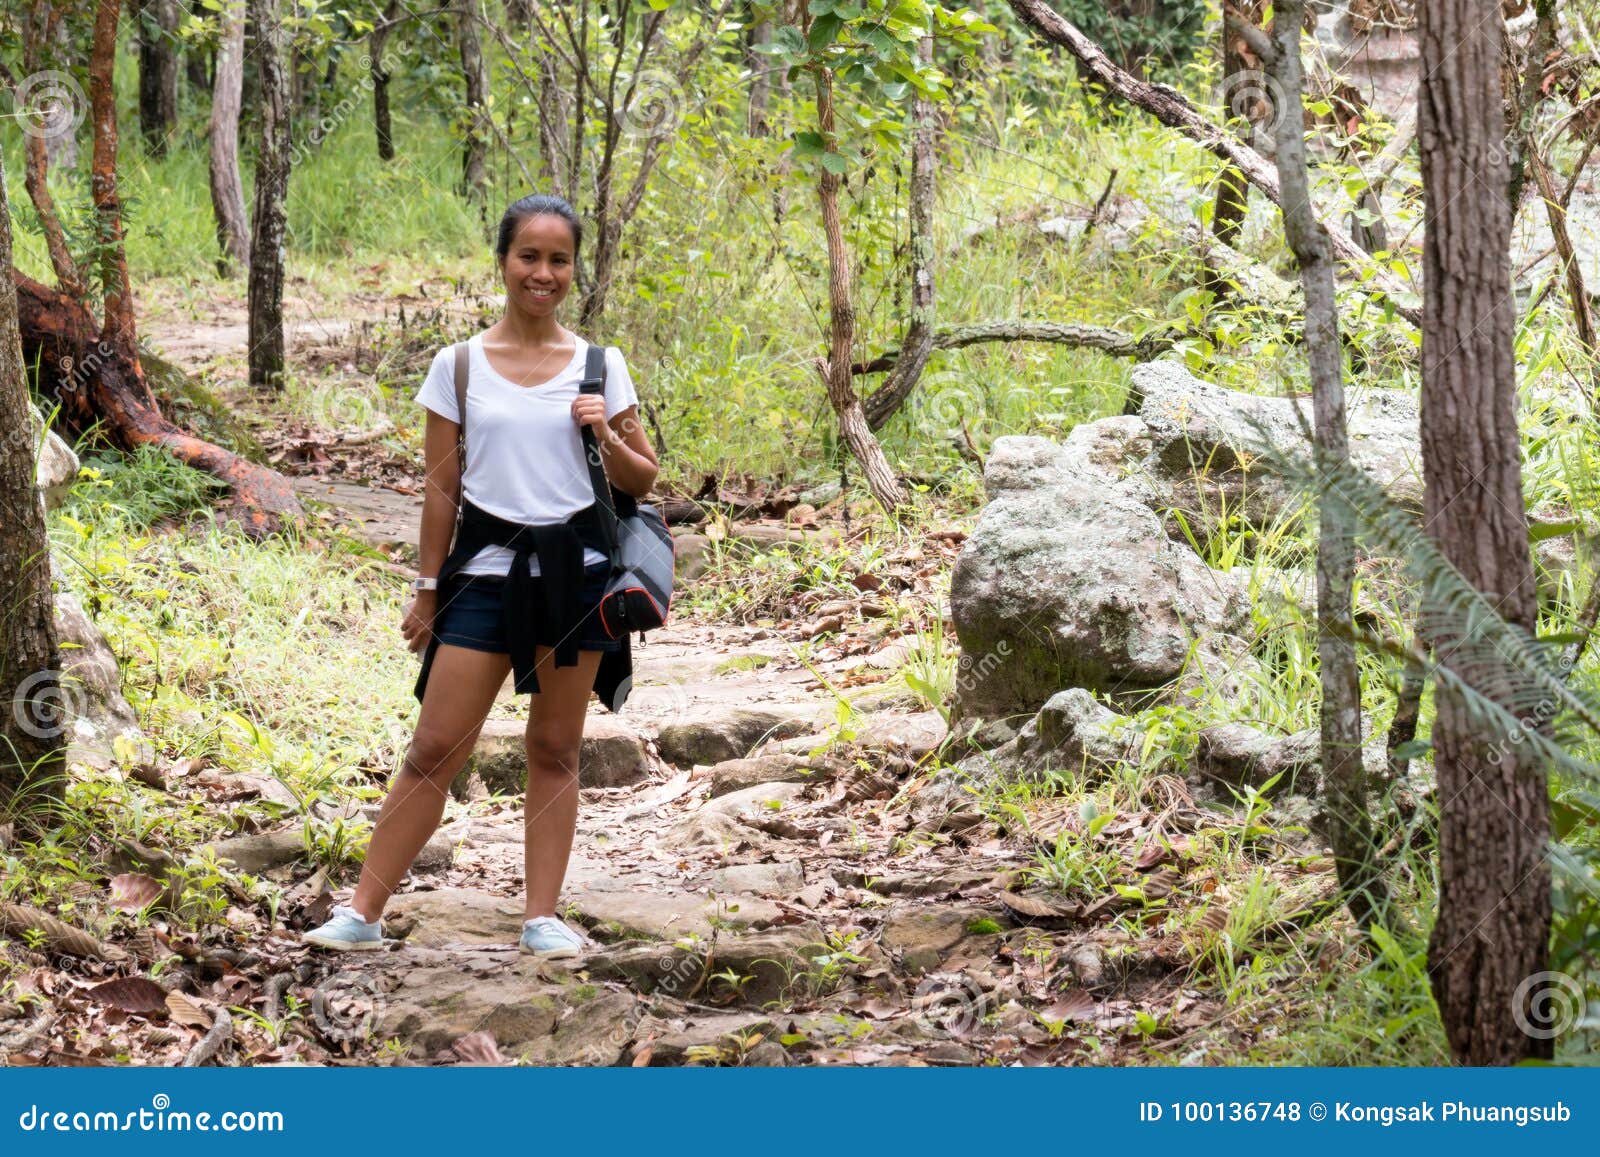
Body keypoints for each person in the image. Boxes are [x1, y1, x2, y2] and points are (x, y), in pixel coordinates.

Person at [302, 194, 659, 957]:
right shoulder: (458, 365)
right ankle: (363, 912)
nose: (543, 272)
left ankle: (542, 917)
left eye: (558, 259)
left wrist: (601, 426)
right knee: (434, 747)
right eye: (529, 256)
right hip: (483, 575)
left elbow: (643, 477)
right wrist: (427, 590)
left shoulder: (602, 365)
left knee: (556, 747)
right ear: (503, 261)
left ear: (574, 269)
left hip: (576, 577)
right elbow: (440, 486)